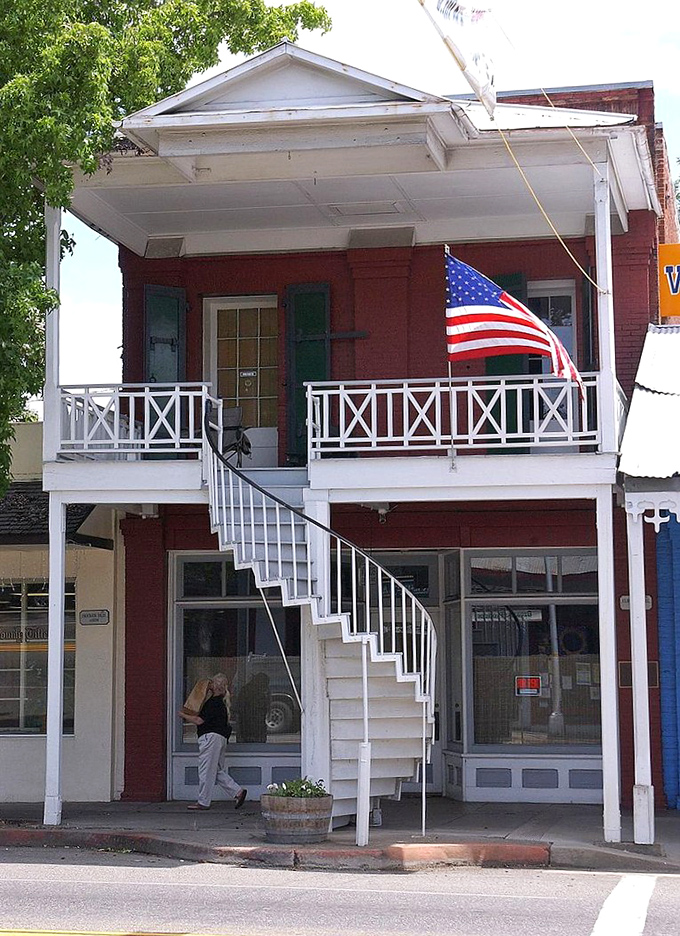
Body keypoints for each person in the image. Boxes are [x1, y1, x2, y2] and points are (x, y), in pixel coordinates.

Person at [178, 673, 247, 811]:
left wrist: (183, 715)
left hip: (210, 738)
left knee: (205, 771)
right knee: (215, 770)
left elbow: (199, 720)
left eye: (211, 683)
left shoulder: (212, 703)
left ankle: (203, 802)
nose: (208, 685)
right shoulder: (221, 703)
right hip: (220, 738)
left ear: (215, 686)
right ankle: (237, 792)